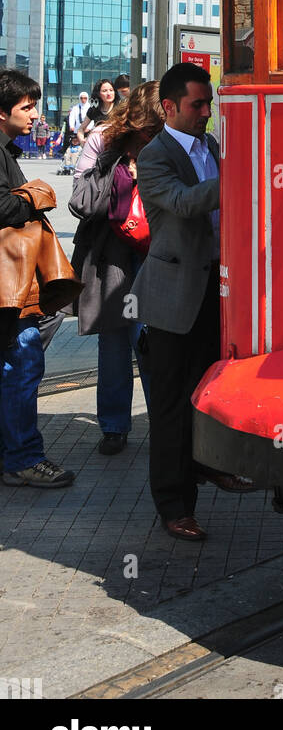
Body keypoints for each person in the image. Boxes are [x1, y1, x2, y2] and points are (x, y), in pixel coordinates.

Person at [135, 63, 253, 542]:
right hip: (171, 300)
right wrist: (246, 173)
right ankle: (174, 505)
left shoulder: (212, 147)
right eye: (197, 105)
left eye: (209, 104)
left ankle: (207, 466)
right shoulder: (154, 156)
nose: (207, 112)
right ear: (169, 107)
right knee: (169, 408)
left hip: (215, 294)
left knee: (208, 397)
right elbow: (183, 203)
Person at [70, 82, 162, 455]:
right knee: (113, 339)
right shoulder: (105, 142)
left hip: (156, 252)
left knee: (153, 342)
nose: (155, 133)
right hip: (112, 252)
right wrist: (120, 166)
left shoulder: (175, 143)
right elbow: (80, 198)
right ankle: (113, 426)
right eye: (151, 127)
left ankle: (166, 422)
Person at [0, 69, 74, 488]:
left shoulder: (7, 150)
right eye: (26, 107)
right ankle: (24, 458)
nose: (34, 114)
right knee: (23, 367)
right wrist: (32, 197)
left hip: (12, 284)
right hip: (9, 289)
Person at [78, 79, 116, 144]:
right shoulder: (94, 109)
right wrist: (82, 140)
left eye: (111, 90)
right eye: (104, 91)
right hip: (99, 146)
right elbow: (81, 129)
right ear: (98, 94)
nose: (109, 93)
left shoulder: (121, 107)